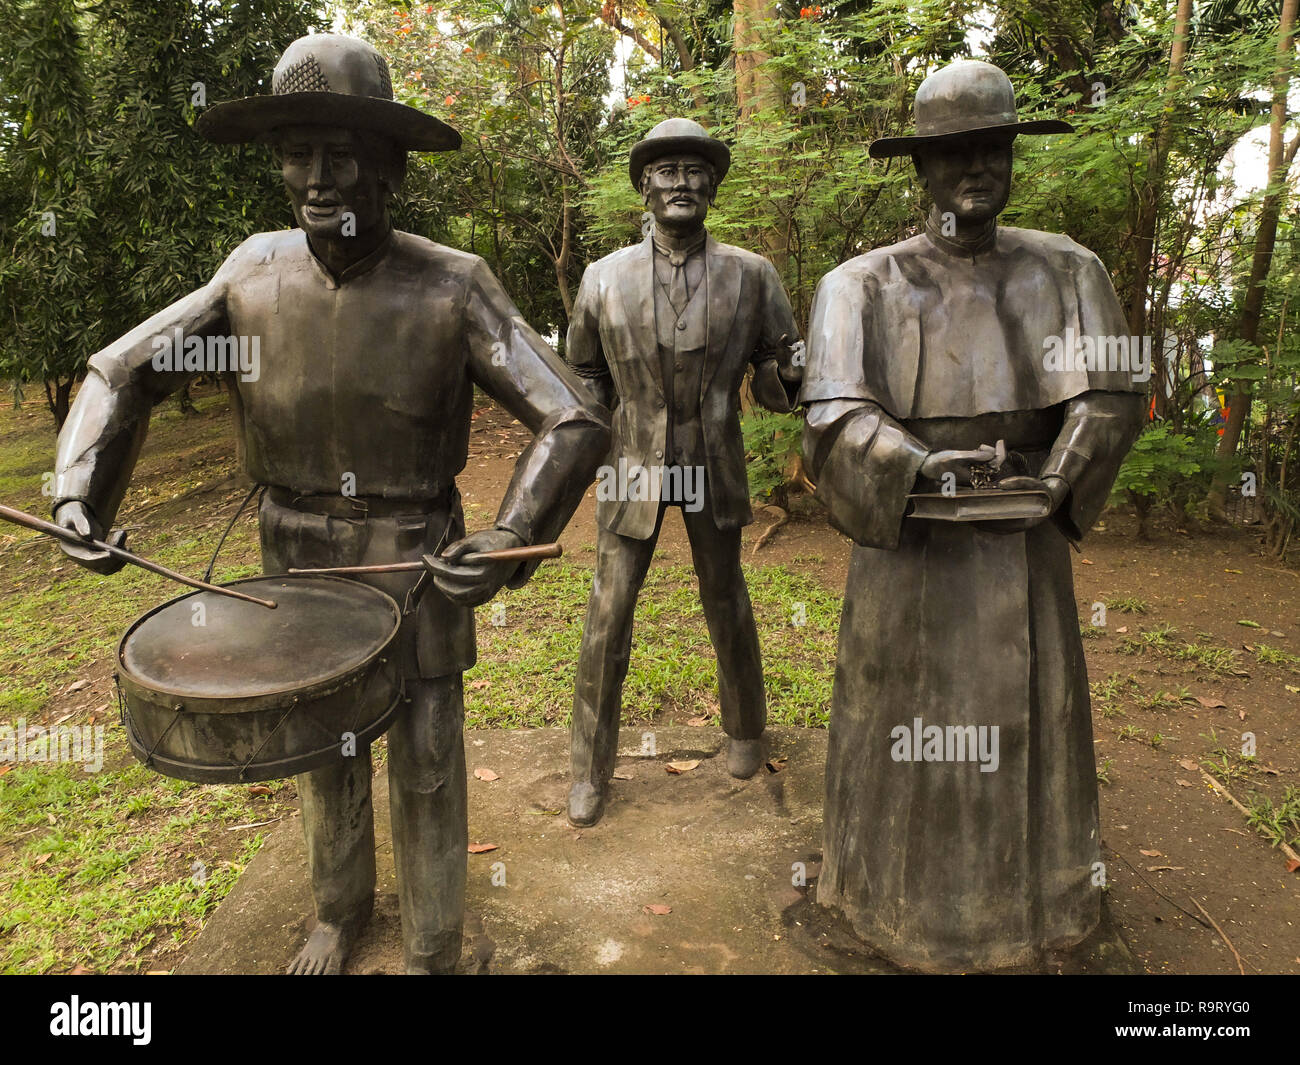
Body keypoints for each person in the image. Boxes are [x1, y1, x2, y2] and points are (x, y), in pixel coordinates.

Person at [51, 34, 609, 975]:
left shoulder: (452, 283)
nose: (317, 179)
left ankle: (434, 938)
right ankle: (337, 909)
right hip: (297, 557)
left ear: (387, 168)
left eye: (340, 156)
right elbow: (124, 370)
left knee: (427, 753)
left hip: (413, 560)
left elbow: (572, 415)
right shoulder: (252, 274)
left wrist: (513, 533)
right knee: (323, 747)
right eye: (297, 155)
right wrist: (78, 490)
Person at [800, 60, 1145, 971]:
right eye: (955, 152)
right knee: (898, 724)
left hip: (1025, 545)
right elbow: (833, 418)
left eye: (992, 147)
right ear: (920, 166)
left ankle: (1039, 903)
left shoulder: (1069, 269)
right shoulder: (859, 286)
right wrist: (916, 465)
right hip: (907, 544)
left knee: (1036, 717)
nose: (976, 167)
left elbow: (1110, 395)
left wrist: (1053, 476)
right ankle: (886, 898)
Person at [564, 118, 803, 827]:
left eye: (696, 172)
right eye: (666, 172)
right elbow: (584, 371)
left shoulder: (753, 275)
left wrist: (787, 374)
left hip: (713, 455)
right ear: (644, 186)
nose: (682, 183)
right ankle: (588, 764)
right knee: (610, 609)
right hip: (634, 459)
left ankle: (746, 728)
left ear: (713, 186)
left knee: (725, 595)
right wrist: (581, 437)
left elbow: (772, 374)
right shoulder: (603, 278)